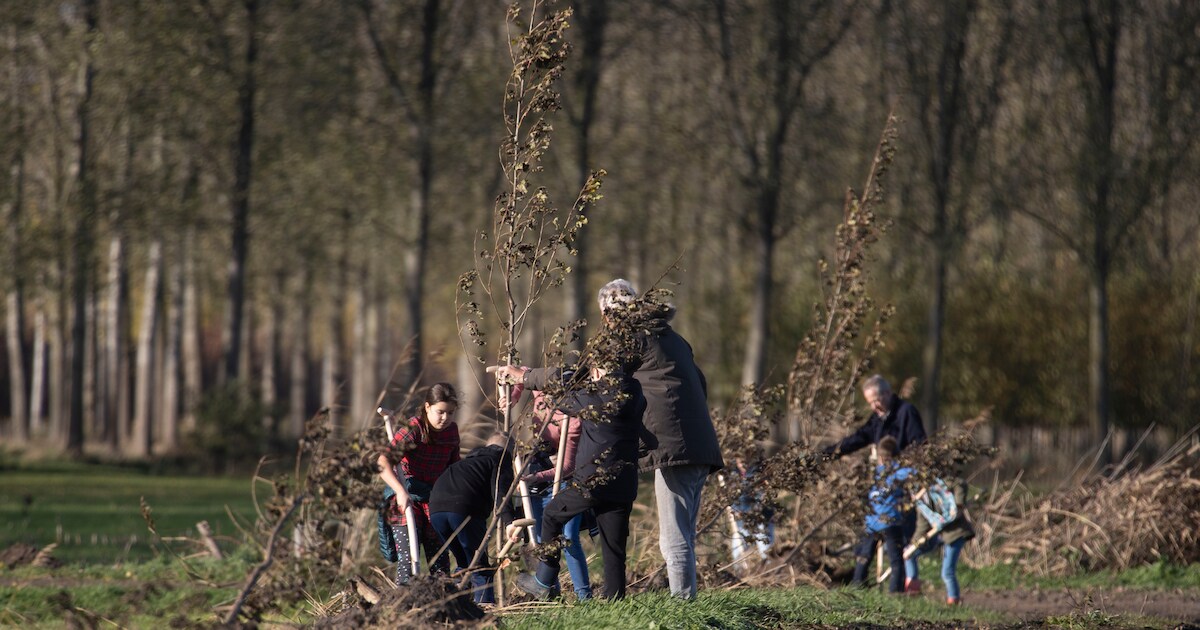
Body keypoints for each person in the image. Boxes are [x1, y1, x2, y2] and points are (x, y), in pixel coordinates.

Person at [597, 278, 724, 600]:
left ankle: (683, 607)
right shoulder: (674, 338)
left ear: (608, 314)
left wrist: (529, 377)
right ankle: (688, 602)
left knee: (673, 537)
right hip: (700, 445)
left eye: (606, 316)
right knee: (685, 533)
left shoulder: (629, 339)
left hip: (674, 448)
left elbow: (597, 381)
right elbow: (701, 384)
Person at [494, 360, 646, 601]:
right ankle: (617, 603)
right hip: (623, 483)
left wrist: (526, 379)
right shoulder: (635, 391)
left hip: (592, 481)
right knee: (613, 548)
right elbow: (647, 441)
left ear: (596, 372)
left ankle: (544, 580)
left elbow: (561, 398)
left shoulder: (591, 399)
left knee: (553, 515)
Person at [377, 382, 461, 585]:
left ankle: (443, 605)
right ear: (427, 407)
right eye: (440, 412)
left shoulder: (451, 432)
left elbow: (454, 467)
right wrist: (400, 492)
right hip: (405, 497)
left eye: (450, 413)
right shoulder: (414, 428)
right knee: (408, 561)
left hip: (434, 499)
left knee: (440, 561)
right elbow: (382, 461)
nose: (445, 418)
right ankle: (403, 606)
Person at [428, 431, 517, 606]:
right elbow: (501, 493)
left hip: (436, 511)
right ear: (510, 451)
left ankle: (454, 605)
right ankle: (485, 611)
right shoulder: (500, 459)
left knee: (464, 562)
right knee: (479, 564)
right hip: (463, 510)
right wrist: (509, 522)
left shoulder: (466, 462)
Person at [521, 391, 592, 600]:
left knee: (569, 538)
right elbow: (520, 374)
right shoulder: (540, 394)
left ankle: (584, 596)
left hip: (568, 480)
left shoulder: (574, 421)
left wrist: (536, 476)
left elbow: (568, 467)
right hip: (540, 477)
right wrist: (512, 396)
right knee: (545, 540)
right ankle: (551, 591)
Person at [851, 436, 912, 594]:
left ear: (880, 457)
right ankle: (895, 593)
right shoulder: (898, 472)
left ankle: (857, 589)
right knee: (896, 560)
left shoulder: (874, 474)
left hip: (872, 522)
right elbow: (915, 473)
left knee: (864, 556)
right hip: (891, 521)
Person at [903, 476, 975, 605]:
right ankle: (912, 584)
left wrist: (958, 503)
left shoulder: (939, 488)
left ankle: (954, 601)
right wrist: (912, 545)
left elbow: (959, 482)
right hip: (946, 537)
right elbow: (922, 527)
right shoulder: (922, 504)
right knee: (910, 554)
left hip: (957, 534)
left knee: (947, 572)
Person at [823, 374, 927, 459]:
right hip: (884, 474)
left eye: (876, 401)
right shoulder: (877, 419)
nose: (873, 407)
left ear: (887, 393)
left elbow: (919, 445)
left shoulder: (906, 412)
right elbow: (857, 439)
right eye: (870, 403)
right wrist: (825, 455)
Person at [728, 458, 774, 566]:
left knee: (765, 547)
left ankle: (770, 569)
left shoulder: (758, 475)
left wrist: (747, 512)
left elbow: (762, 497)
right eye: (739, 460)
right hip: (742, 521)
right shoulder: (734, 476)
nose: (742, 464)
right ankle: (739, 571)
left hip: (761, 518)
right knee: (738, 547)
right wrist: (735, 511)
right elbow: (733, 497)